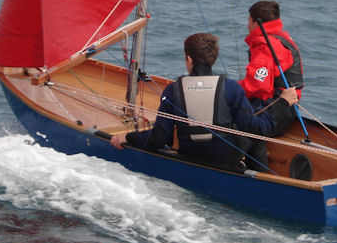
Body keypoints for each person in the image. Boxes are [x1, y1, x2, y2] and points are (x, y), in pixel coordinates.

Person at [110, 32, 297, 172]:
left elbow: (159, 139)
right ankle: (260, 184)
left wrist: (128, 137)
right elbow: (257, 128)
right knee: (255, 139)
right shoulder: (231, 88)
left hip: (190, 159)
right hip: (225, 163)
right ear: (213, 59)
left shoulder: (173, 90)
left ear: (188, 58)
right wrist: (282, 103)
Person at [239, 0, 304, 137]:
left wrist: (228, 89)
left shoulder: (266, 46)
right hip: (287, 111)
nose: (247, 26)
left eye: (249, 21)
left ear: (257, 22)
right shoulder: (281, 39)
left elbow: (257, 86)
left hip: (272, 114)